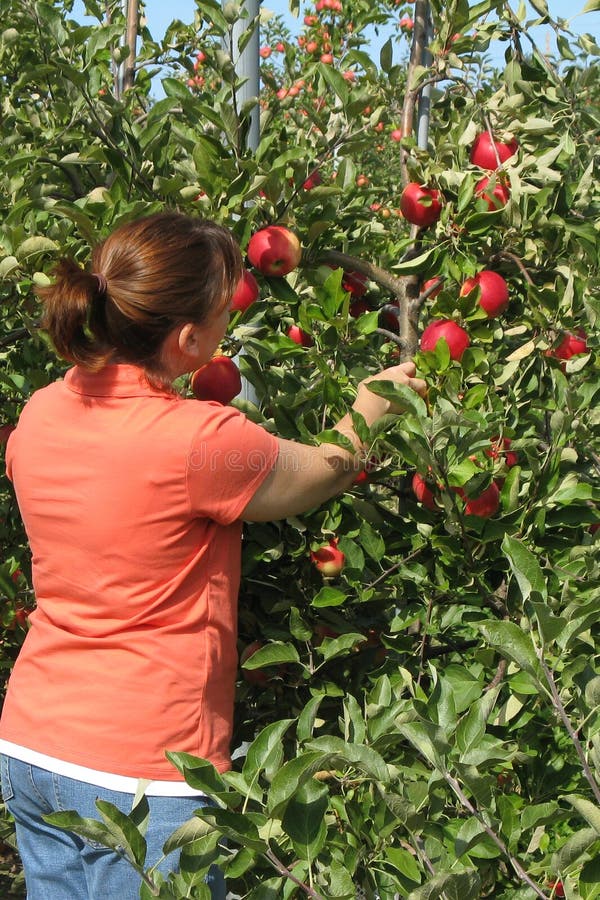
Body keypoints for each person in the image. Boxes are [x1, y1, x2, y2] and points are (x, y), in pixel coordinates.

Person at [0, 211, 427, 899]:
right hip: (142, 776)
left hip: (32, 747)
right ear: (190, 338)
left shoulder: (42, 412)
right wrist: (373, 404)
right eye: (224, 311)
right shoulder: (200, 442)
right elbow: (323, 469)